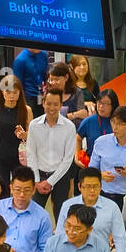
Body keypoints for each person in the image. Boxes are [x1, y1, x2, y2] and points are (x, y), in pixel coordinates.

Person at [25, 89, 81, 220]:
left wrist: (50, 182)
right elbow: (31, 154)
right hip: (38, 175)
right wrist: (37, 181)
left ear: (61, 105)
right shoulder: (34, 125)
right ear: (43, 103)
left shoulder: (69, 127)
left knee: (61, 216)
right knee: (32, 215)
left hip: (60, 176)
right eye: (48, 103)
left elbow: (68, 159)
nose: (52, 107)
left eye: (56, 104)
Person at [88, 105, 126, 205]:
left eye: (121, 124)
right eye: (113, 122)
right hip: (105, 195)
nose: (115, 127)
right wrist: (100, 175)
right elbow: (90, 170)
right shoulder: (101, 142)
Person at [0, 74, 30, 189]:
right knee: (1, 189)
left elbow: (33, 136)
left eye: (15, 93)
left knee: (19, 189)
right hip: (1, 156)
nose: (11, 96)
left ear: (20, 93)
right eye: (8, 92)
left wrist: (24, 135)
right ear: (2, 92)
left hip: (20, 157)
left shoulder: (26, 110)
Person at [75, 88, 117, 156]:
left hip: (114, 162)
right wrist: (77, 156)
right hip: (92, 162)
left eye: (105, 104)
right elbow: (78, 138)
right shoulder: (89, 121)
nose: (101, 106)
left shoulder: (119, 121)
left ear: (113, 105)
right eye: (99, 102)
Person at [66, 55, 100, 121]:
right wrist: (85, 103)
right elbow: (66, 104)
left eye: (84, 64)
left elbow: (98, 101)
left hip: (90, 119)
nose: (82, 67)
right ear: (72, 66)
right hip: (73, 119)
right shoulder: (68, 84)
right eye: (78, 65)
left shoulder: (93, 83)